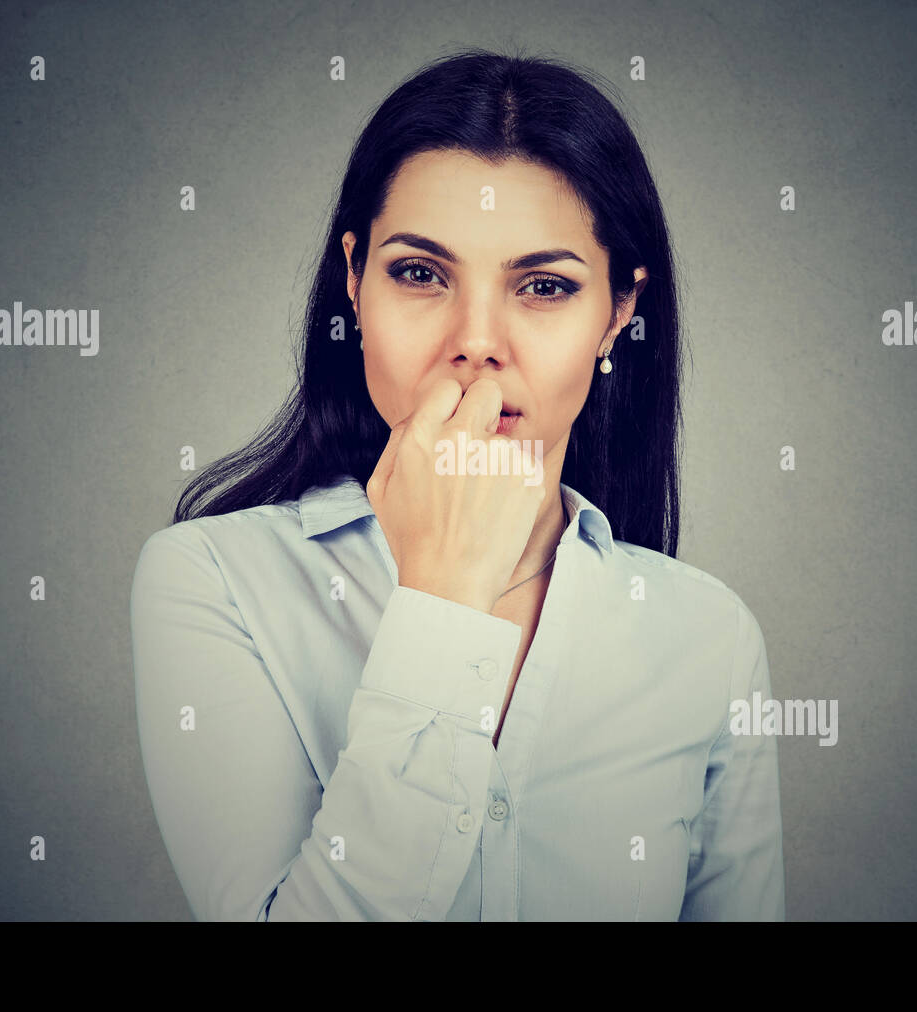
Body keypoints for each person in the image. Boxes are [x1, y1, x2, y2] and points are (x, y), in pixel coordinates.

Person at [130, 47, 784, 921]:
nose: (477, 340)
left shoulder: (711, 638)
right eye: (421, 274)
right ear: (355, 282)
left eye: (545, 286)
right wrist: (442, 604)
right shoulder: (212, 581)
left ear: (618, 314)